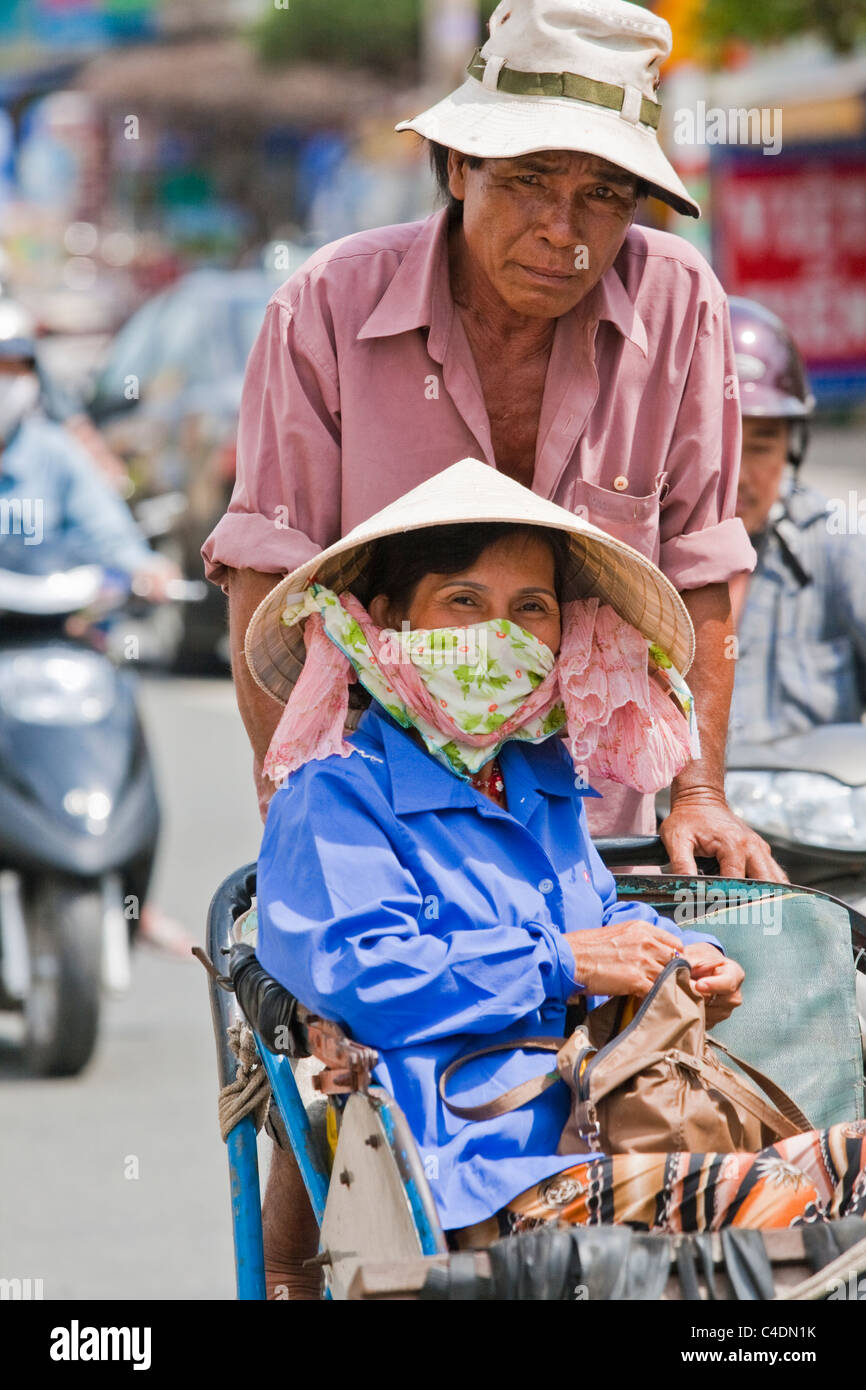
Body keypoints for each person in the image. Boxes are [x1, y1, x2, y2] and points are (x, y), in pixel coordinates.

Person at [249, 461, 866, 1291]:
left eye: (530, 609)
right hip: (489, 1181)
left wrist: (688, 955)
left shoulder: (539, 779)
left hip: (623, 1134)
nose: (500, 634)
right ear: (389, 620)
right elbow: (361, 976)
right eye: (464, 602)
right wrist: (564, 962)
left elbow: (605, 916)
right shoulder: (333, 797)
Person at [203, 0, 781, 883]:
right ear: (461, 166)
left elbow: (700, 564)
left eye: (602, 196)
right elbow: (268, 576)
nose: (563, 231)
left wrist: (698, 793)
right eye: (529, 180)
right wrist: (298, 817)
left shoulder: (680, 304)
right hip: (380, 817)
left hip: (595, 823)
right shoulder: (327, 304)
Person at [728, 296, 866, 745]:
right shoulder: (642, 554)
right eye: (720, 445)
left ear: (793, 446)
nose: (740, 475)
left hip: (811, 813)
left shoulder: (834, 543)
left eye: (763, 444)